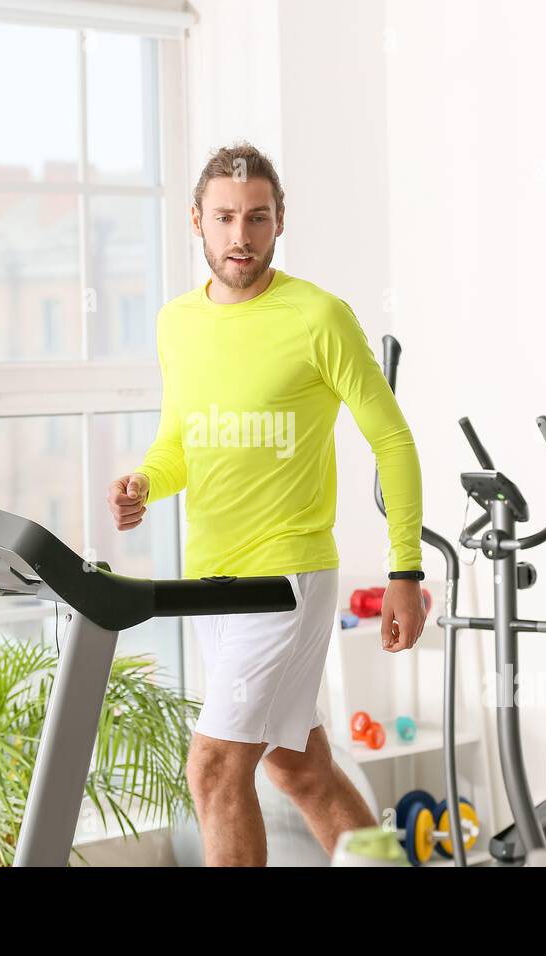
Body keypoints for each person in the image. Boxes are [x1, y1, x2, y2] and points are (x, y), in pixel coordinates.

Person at [105, 141, 426, 866]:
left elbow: (394, 441)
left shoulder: (319, 316)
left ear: (279, 221)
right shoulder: (177, 322)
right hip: (210, 581)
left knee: (215, 770)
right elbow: (179, 443)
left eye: (256, 218)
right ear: (197, 222)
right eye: (224, 218)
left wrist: (404, 568)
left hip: (286, 577)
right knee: (299, 769)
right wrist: (145, 485)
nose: (240, 237)